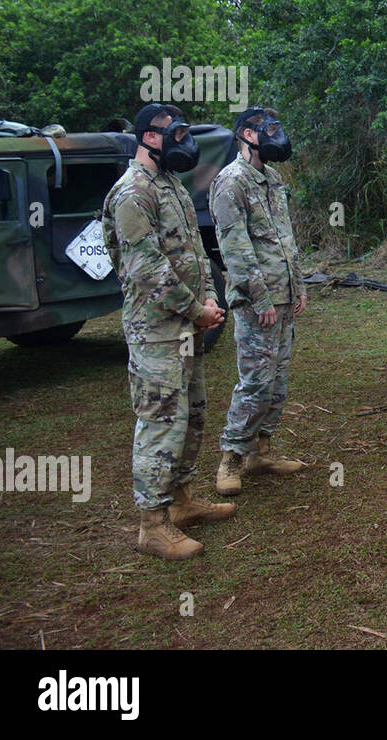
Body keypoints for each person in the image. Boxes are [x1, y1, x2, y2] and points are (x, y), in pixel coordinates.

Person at [101, 103, 232, 560]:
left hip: (188, 324)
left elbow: (195, 251)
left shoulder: (170, 184)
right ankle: (152, 525)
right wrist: (196, 309)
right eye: (174, 134)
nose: (184, 142)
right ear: (149, 138)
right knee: (161, 422)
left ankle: (182, 501)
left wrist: (210, 299)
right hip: (157, 331)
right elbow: (146, 268)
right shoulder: (133, 192)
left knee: (192, 414)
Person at [210, 107, 309, 497]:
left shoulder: (271, 177)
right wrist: (260, 297)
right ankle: (231, 458)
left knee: (278, 380)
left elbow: (284, 238)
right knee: (255, 382)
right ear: (247, 135)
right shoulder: (230, 182)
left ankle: (261, 451)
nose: (276, 135)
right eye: (269, 129)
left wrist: (298, 285)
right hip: (258, 302)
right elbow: (234, 248)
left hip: (283, 296)